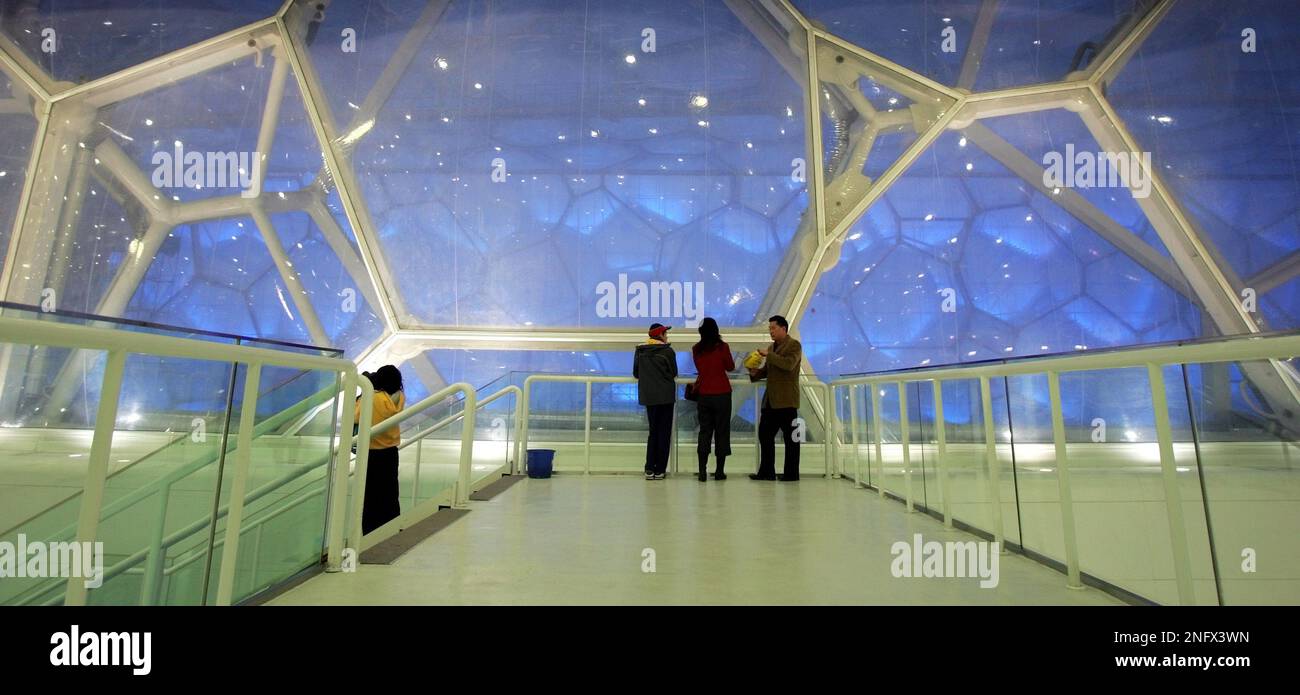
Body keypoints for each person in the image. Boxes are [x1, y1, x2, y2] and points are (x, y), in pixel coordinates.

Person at [748, 315, 802, 482]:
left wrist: (768, 355)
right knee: (765, 435)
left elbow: (788, 364)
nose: (770, 331)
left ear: (783, 329)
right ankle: (766, 471)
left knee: (791, 440)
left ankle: (791, 474)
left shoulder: (794, 345)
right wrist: (754, 372)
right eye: (769, 329)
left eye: (773, 328)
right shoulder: (772, 348)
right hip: (771, 401)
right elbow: (767, 371)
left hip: (787, 401)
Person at [357, 365, 405, 533]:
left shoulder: (372, 397)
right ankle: (391, 527)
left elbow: (355, 415)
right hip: (390, 452)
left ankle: (371, 531)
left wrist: (364, 389)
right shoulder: (398, 398)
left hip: (371, 452)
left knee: (371, 495)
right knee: (390, 493)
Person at [691, 317, 734, 482]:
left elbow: (700, 369)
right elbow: (730, 366)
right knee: (722, 432)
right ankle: (719, 472)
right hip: (722, 394)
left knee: (705, 432)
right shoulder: (722, 347)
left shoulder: (696, 349)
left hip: (704, 395)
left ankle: (702, 471)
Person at [633, 322, 677, 480]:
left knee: (653, 432)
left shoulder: (640, 351)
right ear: (660, 335)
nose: (667, 336)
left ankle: (649, 468)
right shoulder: (668, 352)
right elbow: (673, 373)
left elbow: (636, 373)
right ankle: (660, 469)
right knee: (664, 433)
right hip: (665, 396)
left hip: (649, 396)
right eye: (665, 333)